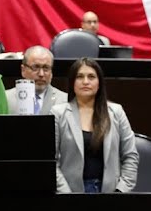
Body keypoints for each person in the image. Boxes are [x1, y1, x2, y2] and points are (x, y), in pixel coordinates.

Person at [53, 57, 139, 193]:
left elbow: (130, 156)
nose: (85, 81)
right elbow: (52, 161)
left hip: (110, 193)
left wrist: (121, 191)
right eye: (79, 77)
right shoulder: (58, 113)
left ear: (99, 83)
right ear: (72, 82)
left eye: (91, 77)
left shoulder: (116, 112)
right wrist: (66, 194)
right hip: (70, 193)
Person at [5, 45, 65, 115]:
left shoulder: (64, 100)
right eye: (35, 67)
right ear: (23, 70)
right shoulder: (6, 98)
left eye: (46, 68)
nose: (41, 74)